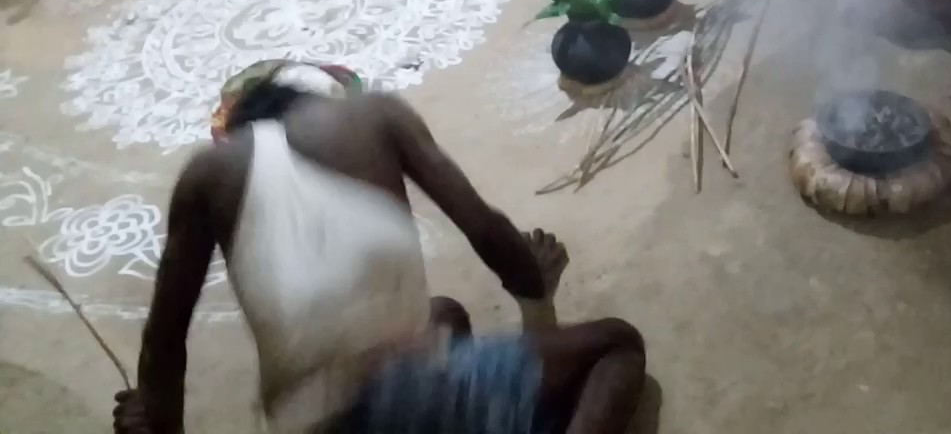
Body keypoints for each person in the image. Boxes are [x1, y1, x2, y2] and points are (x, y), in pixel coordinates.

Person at [111, 62, 646, 434]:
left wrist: (154, 422)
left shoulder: (207, 174)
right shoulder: (375, 116)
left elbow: (163, 347)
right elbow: (484, 229)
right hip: (405, 402)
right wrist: (536, 300)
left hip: (308, 424)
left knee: (446, 315)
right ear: (318, 102)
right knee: (616, 344)